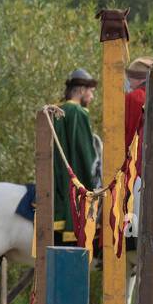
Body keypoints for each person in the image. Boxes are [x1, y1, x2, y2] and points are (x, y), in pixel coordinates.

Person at [52, 68, 99, 244]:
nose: (92, 97)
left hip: (56, 179)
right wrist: (95, 181)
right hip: (72, 182)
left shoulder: (56, 111)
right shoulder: (78, 113)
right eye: (91, 92)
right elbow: (85, 154)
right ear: (81, 90)